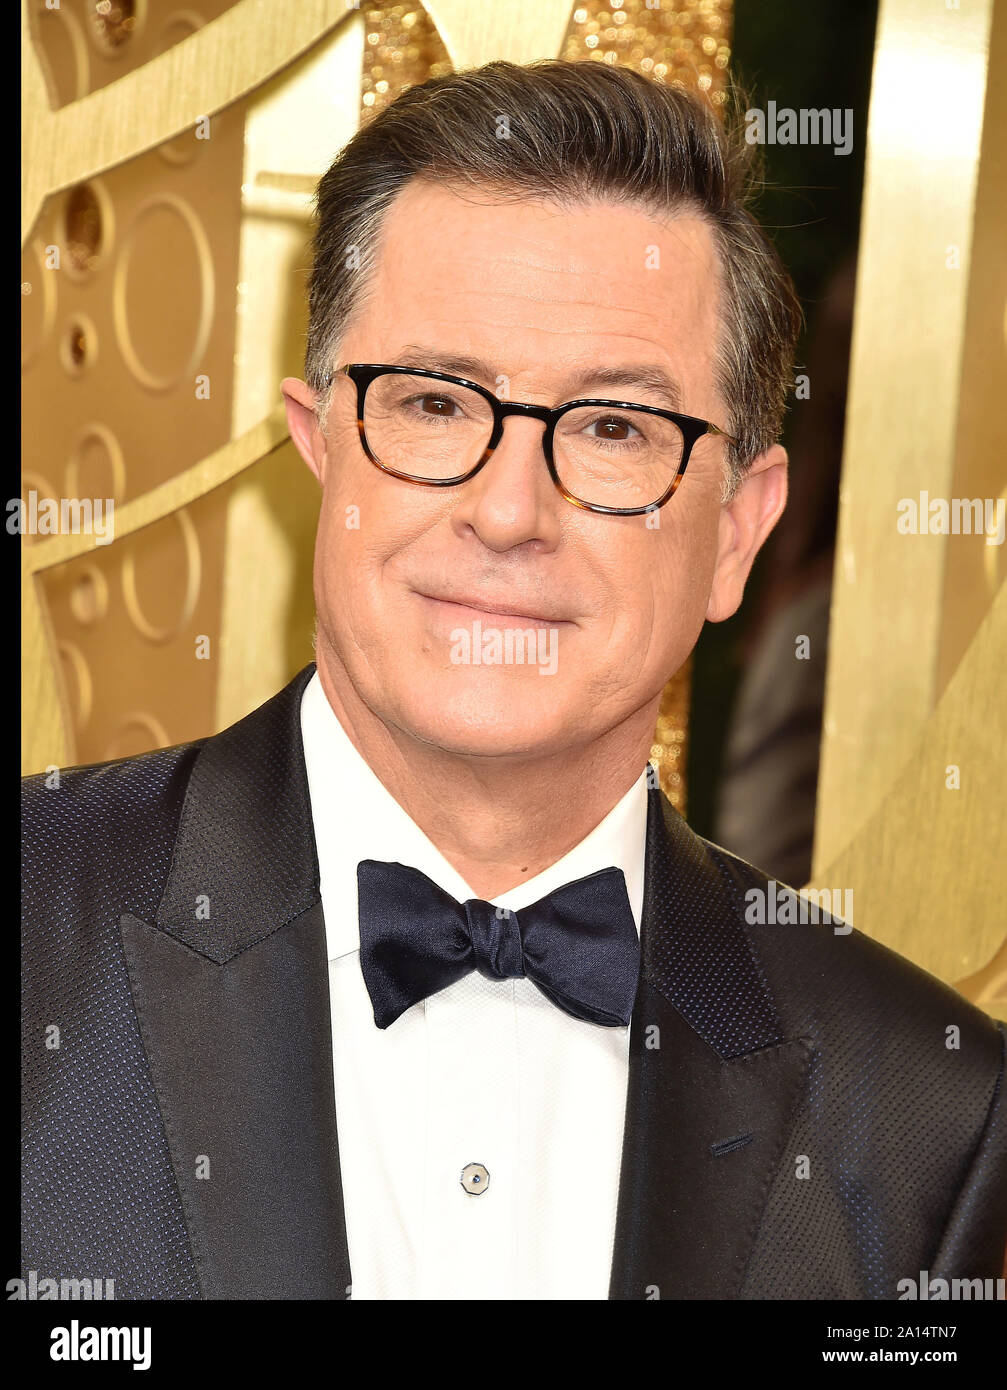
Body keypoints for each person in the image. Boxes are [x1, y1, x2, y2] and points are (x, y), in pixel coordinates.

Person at [21, 60, 1006, 1301]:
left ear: (739, 533)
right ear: (321, 448)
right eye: (435, 403)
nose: (506, 511)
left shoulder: (929, 1107)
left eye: (610, 428)